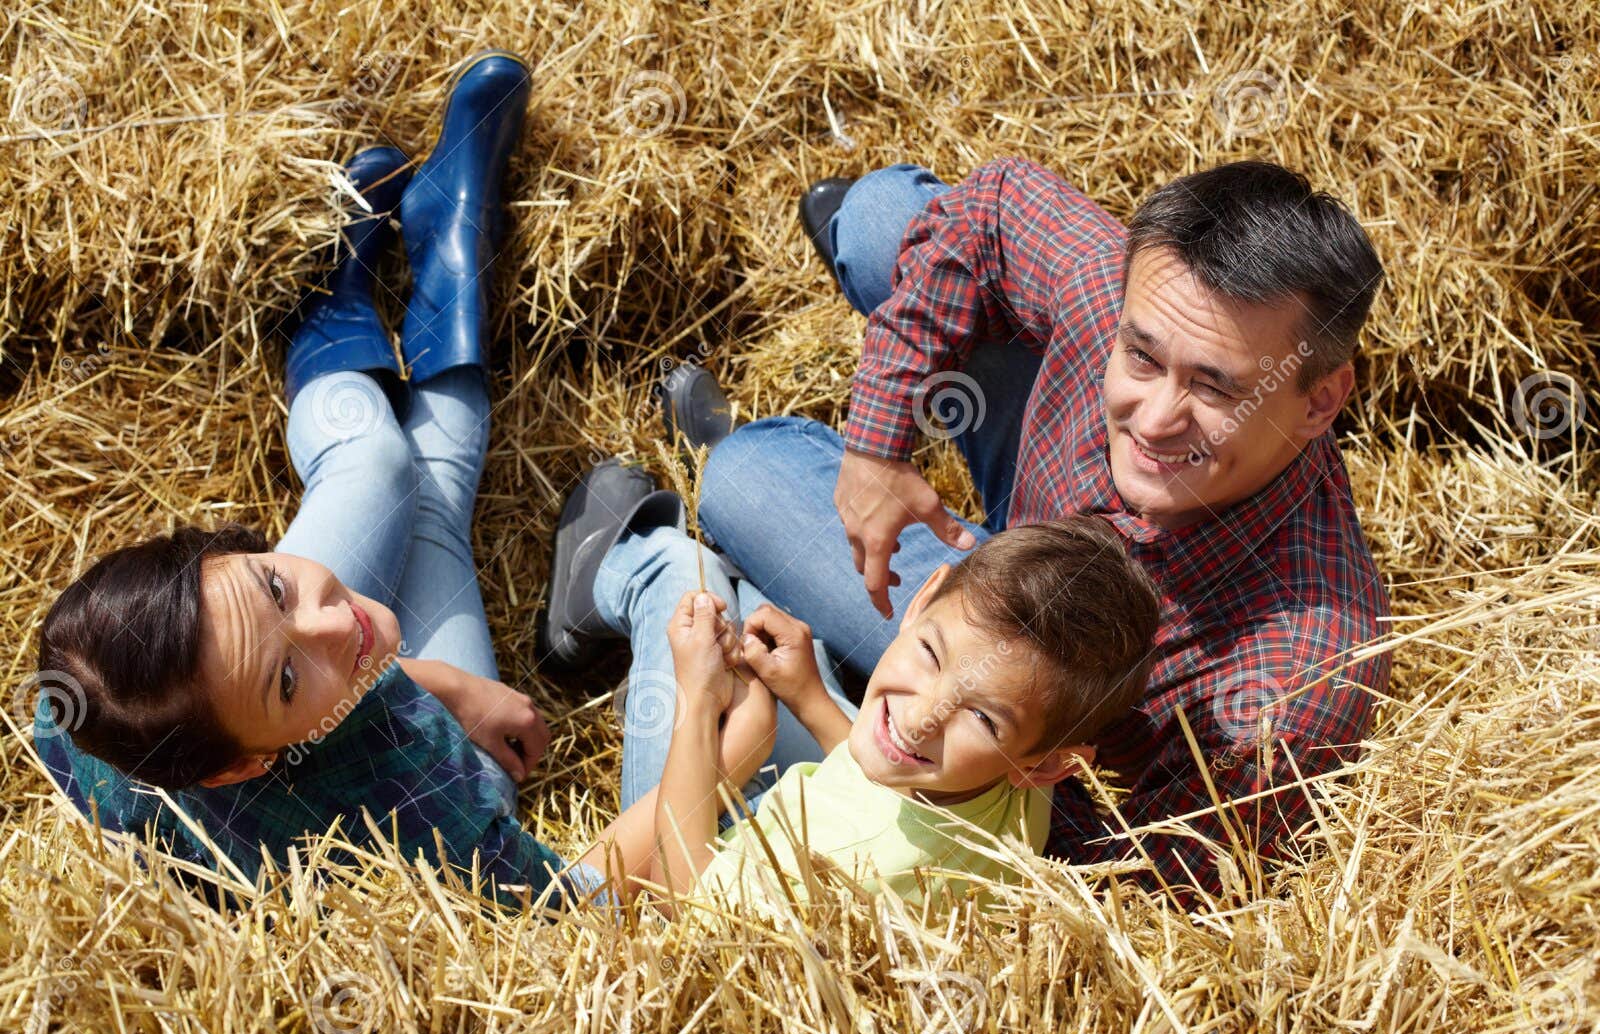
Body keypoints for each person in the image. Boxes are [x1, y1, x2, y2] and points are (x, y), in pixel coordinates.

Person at [675, 158, 1394, 908]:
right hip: (989, 581)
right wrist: (877, 443)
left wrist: (975, 741)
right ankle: (920, 335)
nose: (1154, 421)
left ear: (1320, 402)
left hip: (1010, 713)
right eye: (1142, 356)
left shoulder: (1294, 683)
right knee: (879, 215)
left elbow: (1137, 894)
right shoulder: (1145, 298)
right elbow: (993, 205)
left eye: (1215, 387)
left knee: (739, 474)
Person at [29, 52, 569, 913]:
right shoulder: (428, 804)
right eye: (285, 676)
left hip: (264, 700)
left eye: (273, 583)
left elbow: (279, 650)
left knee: (378, 466)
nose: (335, 619)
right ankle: (449, 244)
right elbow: (586, 901)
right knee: (428, 497)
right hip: (394, 774)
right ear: (244, 764)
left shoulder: (81, 706)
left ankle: (358, 293)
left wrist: (451, 682)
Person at [550, 511, 1160, 912]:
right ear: (923, 599)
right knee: (763, 636)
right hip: (794, 817)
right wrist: (809, 697)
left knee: (680, 572)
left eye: (981, 719)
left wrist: (707, 718)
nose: (922, 717)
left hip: (678, 875)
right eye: (930, 654)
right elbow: (881, 791)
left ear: (1048, 765)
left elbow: (684, 902)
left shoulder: (869, 871)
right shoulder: (1015, 762)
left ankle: (609, 563)